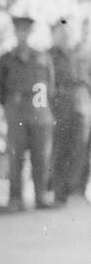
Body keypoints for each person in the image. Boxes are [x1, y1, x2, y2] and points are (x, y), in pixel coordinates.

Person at [0, 14, 56, 210]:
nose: (23, 34)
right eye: (19, 30)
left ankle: (41, 196)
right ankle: (15, 199)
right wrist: (11, 106)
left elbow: (50, 88)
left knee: (41, 156)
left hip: (40, 114)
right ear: (15, 32)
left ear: (30, 32)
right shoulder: (6, 59)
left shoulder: (42, 58)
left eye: (26, 30)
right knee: (16, 157)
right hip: (16, 113)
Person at [49, 17, 90, 206]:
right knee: (60, 149)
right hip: (59, 104)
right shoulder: (48, 56)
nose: (65, 35)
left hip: (81, 103)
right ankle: (59, 193)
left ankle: (76, 191)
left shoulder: (81, 54)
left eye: (68, 32)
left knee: (81, 147)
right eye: (61, 32)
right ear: (54, 34)